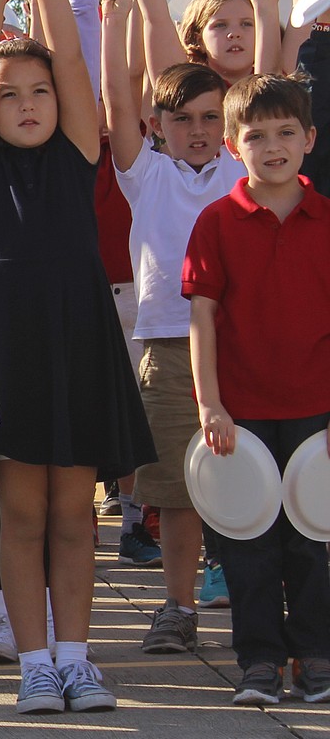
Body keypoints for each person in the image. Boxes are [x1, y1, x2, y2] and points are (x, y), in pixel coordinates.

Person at [0, 0, 154, 716]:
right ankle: (32, 663)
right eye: (9, 94)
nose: (26, 102)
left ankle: (77, 659)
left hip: (78, 339)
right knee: (20, 515)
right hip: (6, 349)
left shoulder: (78, 151)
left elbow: (72, 56)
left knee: (72, 516)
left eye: (40, 91)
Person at [101, 0, 242, 656]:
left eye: (210, 117)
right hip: (165, 346)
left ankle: (256, 608)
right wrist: (114, 15)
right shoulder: (145, 174)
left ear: (227, 122)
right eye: (181, 118)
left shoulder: (242, 173)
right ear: (158, 124)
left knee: (247, 484)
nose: (197, 130)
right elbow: (116, 102)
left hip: (240, 352)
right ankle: (179, 607)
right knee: (181, 492)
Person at [184, 72, 330, 705]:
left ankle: (316, 656)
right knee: (249, 550)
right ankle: (260, 662)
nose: (273, 146)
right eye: (256, 135)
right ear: (232, 146)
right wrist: (210, 404)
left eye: (285, 133)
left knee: (316, 545)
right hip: (241, 419)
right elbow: (203, 320)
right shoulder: (216, 223)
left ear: (309, 139)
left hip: (315, 414)